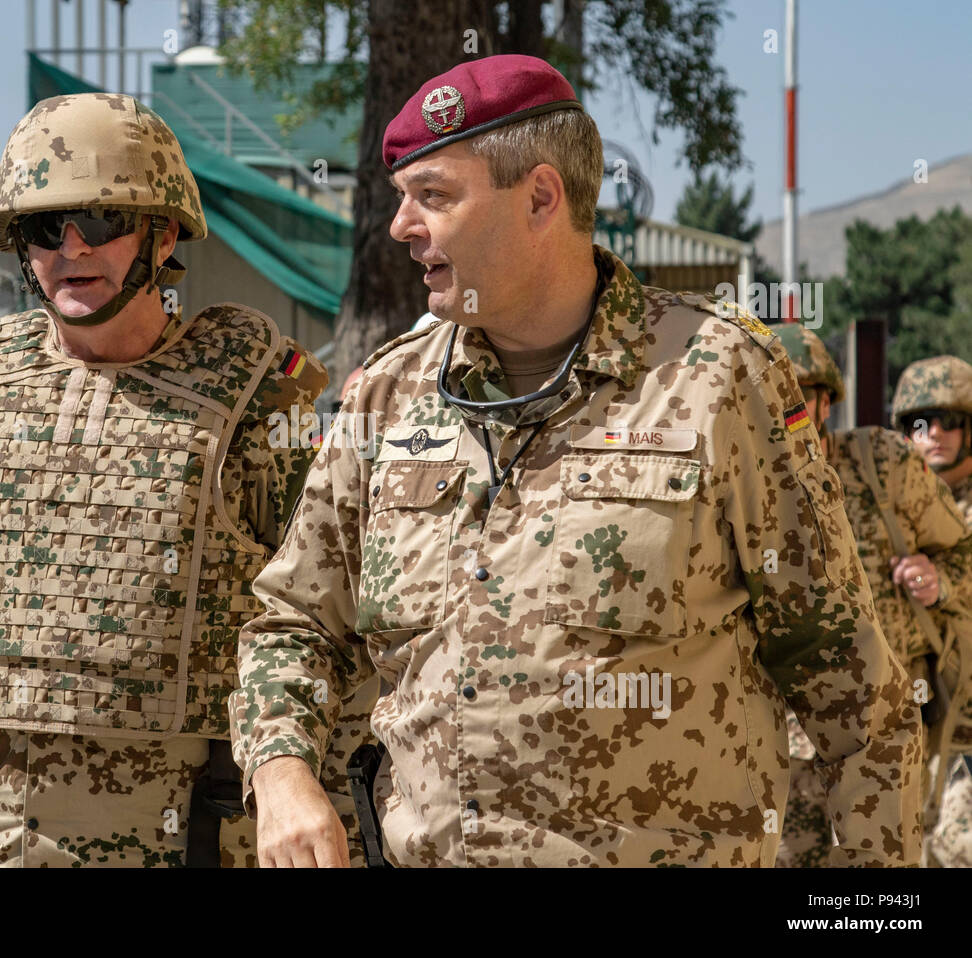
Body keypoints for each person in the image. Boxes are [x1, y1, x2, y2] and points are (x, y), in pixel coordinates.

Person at [230, 54, 923, 867]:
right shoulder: (387, 396)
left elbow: (848, 680)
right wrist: (281, 773)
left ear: (540, 198)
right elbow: (296, 622)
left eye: (435, 196)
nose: (400, 227)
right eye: (401, 199)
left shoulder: (718, 377)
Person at [0, 92, 375, 867]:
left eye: (102, 222)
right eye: (45, 228)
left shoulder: (250, 397)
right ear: (21, 246)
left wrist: (325, 801)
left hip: (203, 838)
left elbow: (326, 627)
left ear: (163, 232)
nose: (73, 247)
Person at [769, 325, 972, 867]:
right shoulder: (735, 481)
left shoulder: (882, 464)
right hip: (782, 748)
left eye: (796, 398)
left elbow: (963, 548)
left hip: (880, 738)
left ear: (825, 402)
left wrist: (938, 577)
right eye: (763, 396)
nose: (780, 412)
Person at [893, 356, 972, 867]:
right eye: (919, 423)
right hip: (912, 723)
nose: (934, 433)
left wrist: (947, 582)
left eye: (949, 420)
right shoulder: (893, 506)